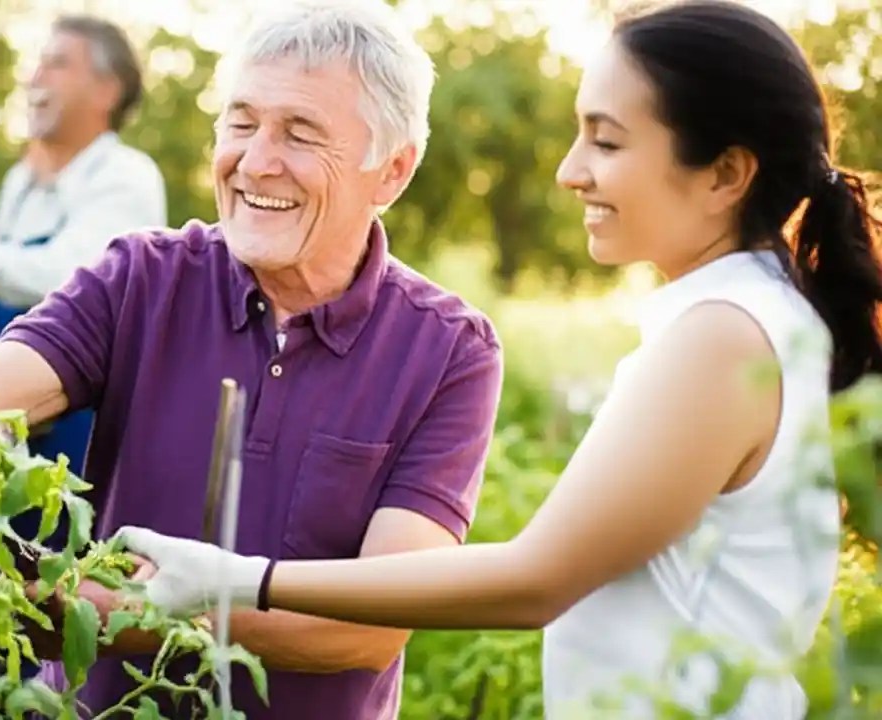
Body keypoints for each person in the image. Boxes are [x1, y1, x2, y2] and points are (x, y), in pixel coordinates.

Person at [114, 1, 882, 718]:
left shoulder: (723, 335)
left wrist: (233, 582)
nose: (569, 170)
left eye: (607, 141)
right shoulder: (751, 316)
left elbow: (536, 579)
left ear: (723, 174)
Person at [0, 1, 504, 717]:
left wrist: (63, 608)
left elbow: (368, 625)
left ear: (390, 173)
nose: (256, 161)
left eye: (301, 133)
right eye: (240, 122)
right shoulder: (142, 277)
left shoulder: (448, 350)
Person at [0, 14, 167, 547]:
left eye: (57, 64)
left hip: (79, 421)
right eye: (37, 63)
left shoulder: (126, 176)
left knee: (55, 569)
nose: (34, 78)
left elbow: (70, 279)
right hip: (6, 412)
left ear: (106, 91)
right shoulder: (23, 181)